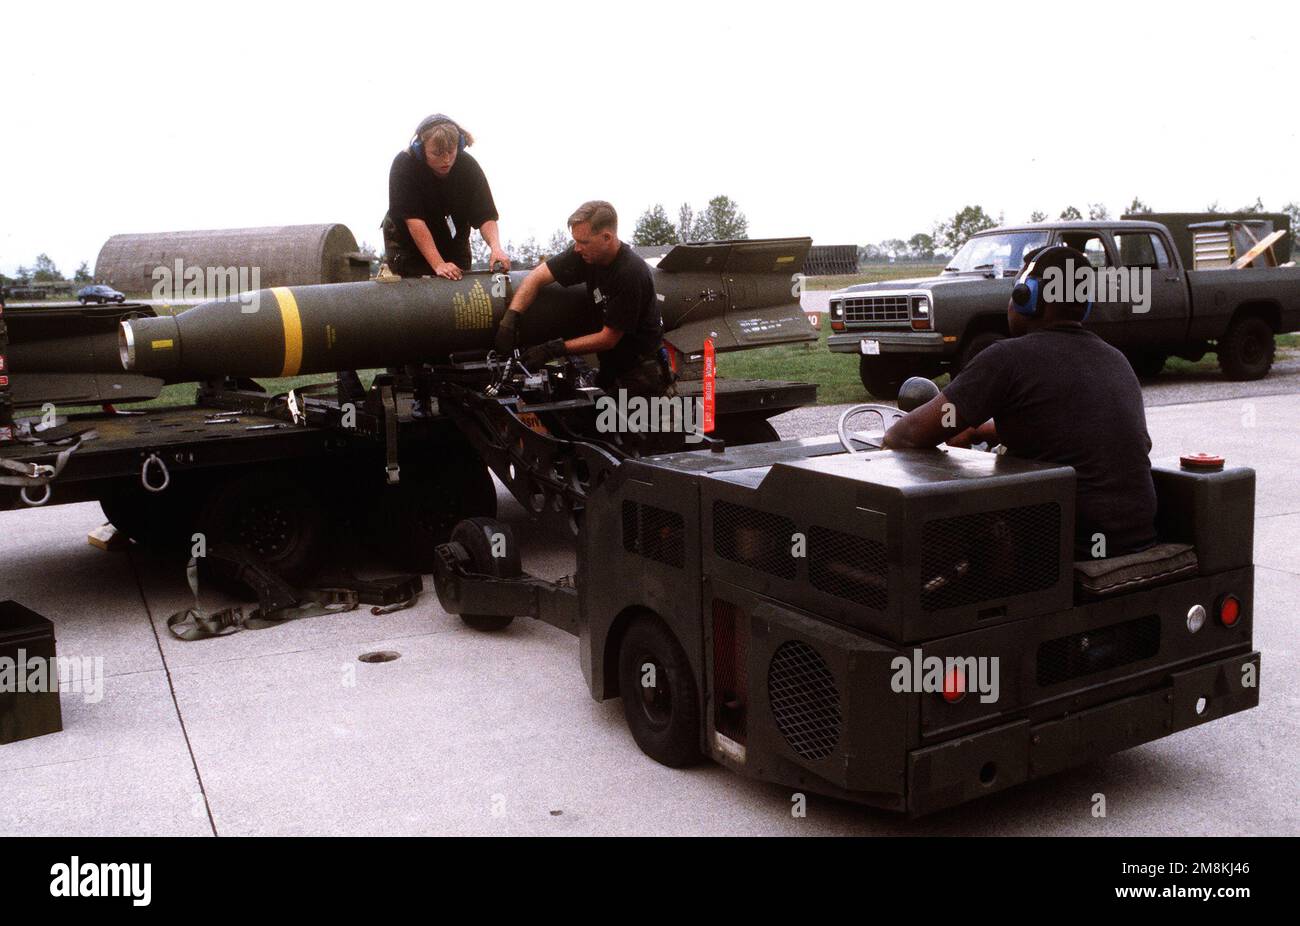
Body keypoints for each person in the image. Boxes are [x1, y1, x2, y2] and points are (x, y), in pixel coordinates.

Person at [882, 245, 1158, 559]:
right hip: (1134, 538)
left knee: (942, 523)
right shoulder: (1115, 359)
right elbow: (1064, 425)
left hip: (1062, 549)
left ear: (1028, 297)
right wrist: (976, 431)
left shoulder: (1007, 359)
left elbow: (906, 435)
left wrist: (899, 433)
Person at [496, 200, 671, 399]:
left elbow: (608, 339)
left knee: (634, 429)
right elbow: (536, 277)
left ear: (606, 237)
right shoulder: (586, 254)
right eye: (576, 241)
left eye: (583, 242)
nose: (577, 248)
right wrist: (511, 318)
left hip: (641, 375)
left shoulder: (630, 273)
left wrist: (553, 349)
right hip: (611, 368)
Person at [382, 114, 509, 279]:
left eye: (451, 151)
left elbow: (485, 215)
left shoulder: (468, 167)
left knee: (459, 283)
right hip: (408, 244)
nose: (446, 159)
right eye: (437, 153)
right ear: (420, 150)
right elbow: (414, 221)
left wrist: (496, 248)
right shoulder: (404, 166)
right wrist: (438, 264)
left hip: (454, 240)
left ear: (460, 145)